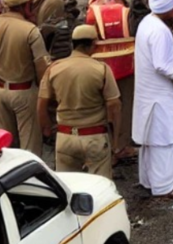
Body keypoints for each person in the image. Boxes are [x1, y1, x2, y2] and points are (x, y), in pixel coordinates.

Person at [38, 25, 122, 180]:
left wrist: (47, 128)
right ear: (92, 45)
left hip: (65, 136)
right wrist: (115, 140)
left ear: (73, 44)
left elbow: (42, 103)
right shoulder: (101, 69)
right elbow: (113, 105)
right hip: (94, 136)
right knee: (100, 185)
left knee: (69, 186)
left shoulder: (54, 68)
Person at [0, 0, 52, 156]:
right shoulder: (30, 31)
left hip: (0, 91)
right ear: (25, 5)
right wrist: (48, 99)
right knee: (30, 146)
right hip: (24, 92)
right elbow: (42, 69)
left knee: (7, 144)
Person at [134, 0, 173, 199]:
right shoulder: (159, 31)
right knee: (165, 141)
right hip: (160, 94)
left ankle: (150, 181)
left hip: (148, 93)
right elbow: (162, 65)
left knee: (151, 140)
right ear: (169, 9)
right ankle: (166, 186)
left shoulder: (147, 22)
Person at [86, 0, 138, 164]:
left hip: (98, 68)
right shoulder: (119, 9)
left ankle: (107, 147)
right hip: (124, 69)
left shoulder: (93, 4)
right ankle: (120, 147)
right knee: (123, 109)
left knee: (103, 109)